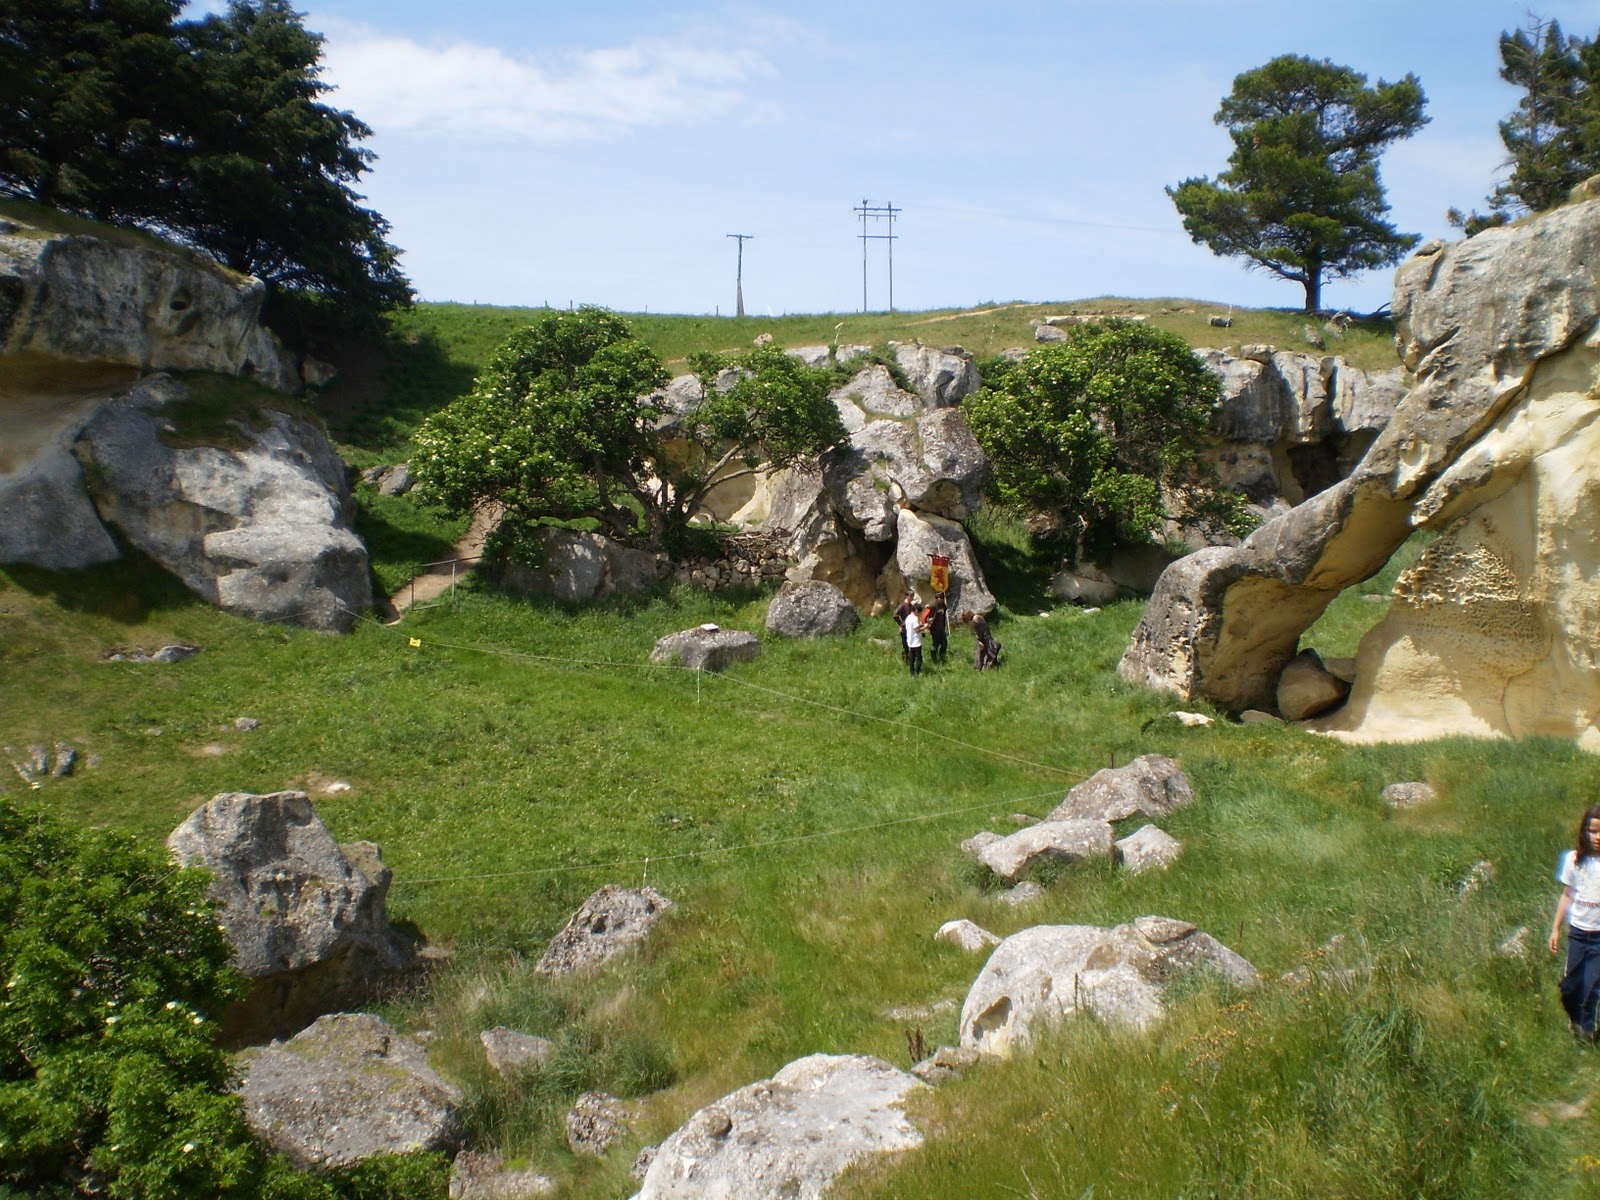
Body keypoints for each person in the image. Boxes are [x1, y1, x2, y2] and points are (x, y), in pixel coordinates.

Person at [1551, 804, 1600, 1041]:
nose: (1597, 837)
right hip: (1578, 934)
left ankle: (1586, 1033)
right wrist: (1555, 929)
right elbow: (1568, 895)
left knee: (1591, 988)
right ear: (1584, 832)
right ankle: (1575, 1020)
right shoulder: (1575, 860)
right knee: (1570, 989)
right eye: (1593, 831)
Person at [892, 589, 917, 665]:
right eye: (911, 596)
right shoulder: (902, 606)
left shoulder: (912, 606)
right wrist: (901, 624)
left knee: (912, 645)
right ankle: (906, 661)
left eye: (913, 596)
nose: (912, 597)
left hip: (911, 629)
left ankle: (911, 660)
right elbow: (895, 615)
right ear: (906, 596)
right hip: (905, 629)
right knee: (905, 645)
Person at [903, 604, 926, 676]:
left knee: (912, 658)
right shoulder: (915, 618)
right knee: (919, 658)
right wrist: (925, 627)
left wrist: (920, 625)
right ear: (916, 611)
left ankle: (911, 671)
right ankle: (917, 672)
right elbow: (917, 630)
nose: (919, 614)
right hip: (916, 642)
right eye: (919, 612)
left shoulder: (908, 618)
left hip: (910, 641)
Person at [926, 593, 949, 663]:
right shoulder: (934, 607)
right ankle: (934, 658)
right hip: (935, 629)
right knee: (935, 644)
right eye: (937, 598)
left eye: (941, 597)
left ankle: (942, 656)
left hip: (941, 628)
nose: (939, 599)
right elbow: (928, 617)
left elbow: (944, 617)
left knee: (944, 643)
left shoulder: (944, 607)